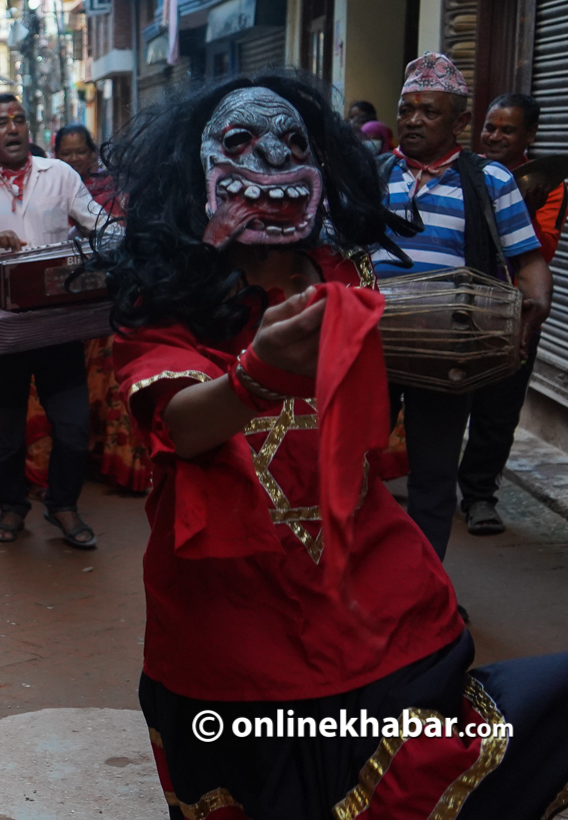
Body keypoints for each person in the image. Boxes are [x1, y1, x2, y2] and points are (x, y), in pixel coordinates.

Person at [108, 72, 568, 820]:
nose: (271, 159)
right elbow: (181, 425)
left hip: (365, 599)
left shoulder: (342, 271)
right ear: (197, 171)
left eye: (293, 142)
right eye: (240, 144)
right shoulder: (163, 292)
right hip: (230, 618)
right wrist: (257, 375)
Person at [372, 53, 553, 558]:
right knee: (349, 470)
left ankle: (424, 591)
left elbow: (529, 260)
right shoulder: (372, 176)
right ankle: (353, 586)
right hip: (370, 348)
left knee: (433, 478)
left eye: (429, 111)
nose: (413, 120)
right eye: (406, 109)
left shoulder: (490, 180)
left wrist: (537, 299)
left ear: (460, 122)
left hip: (449, 354)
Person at [0, 94, 110, 549]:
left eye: (20, 120)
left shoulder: (61, 176)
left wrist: (134, 238)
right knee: (5, 431)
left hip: (56, 326)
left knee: (72, 425)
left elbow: (99, 225)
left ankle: (63, 505)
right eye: (2, 122)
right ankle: (11, 507)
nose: (13, 129)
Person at [451, 92, 565, 535]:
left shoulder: (551, 184)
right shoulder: (464, 172)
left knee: (499, 408)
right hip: (460, 303)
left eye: (508, 129)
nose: (495, 136)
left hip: (517, 308)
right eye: (490, 127)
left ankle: (479, 496)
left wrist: (528, 211)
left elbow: (544, 250)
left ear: (530, 135)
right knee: (446, 397)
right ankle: (434, 483)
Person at [53, 123, 150, 493]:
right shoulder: (53, 188)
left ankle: (110, 459)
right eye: (68, 152)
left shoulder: (117, 192)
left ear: (94, 154)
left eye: (82, 151)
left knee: (109, 380)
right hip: (68, 297)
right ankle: (79, 455)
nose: (76, 158)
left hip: (114, 297)